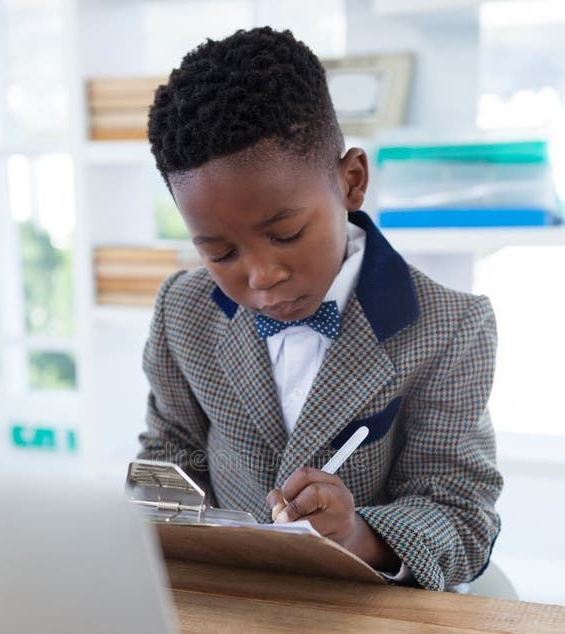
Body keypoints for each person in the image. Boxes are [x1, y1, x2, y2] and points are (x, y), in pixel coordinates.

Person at [139, 26, 502, 592]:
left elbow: (461, 513)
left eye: (285, 234)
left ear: (351, 181)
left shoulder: (450, 327)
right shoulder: (182, 311)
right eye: (221, 253)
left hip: (368, 613)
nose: (261, 276)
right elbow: (169, 459)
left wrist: (357, 534)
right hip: (230, 605)